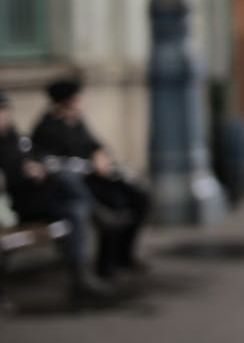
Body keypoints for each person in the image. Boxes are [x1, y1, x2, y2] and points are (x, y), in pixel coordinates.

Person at [31, 79, 151, 278]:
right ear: (66, 103)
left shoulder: (77, 122)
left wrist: (100, 155)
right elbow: (54, 165)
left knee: (139, 197)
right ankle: (106, 267)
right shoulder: (47, 128)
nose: (82, 104)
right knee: (113, 206)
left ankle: (124, 256)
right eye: (77, 99)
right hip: (77, 187)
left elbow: (95, 145)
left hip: (95, 180)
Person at [0, 90, 113, 301]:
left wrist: (38, 166)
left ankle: (80, 278)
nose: (3, 115)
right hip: (20, 205)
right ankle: (98, 212)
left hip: (40, 196)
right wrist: (25, 172)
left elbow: (36, 155)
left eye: (5, 110)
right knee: (67, 179)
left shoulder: (14, 136)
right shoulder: (44, 127)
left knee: (76, 209)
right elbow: (13, 174)